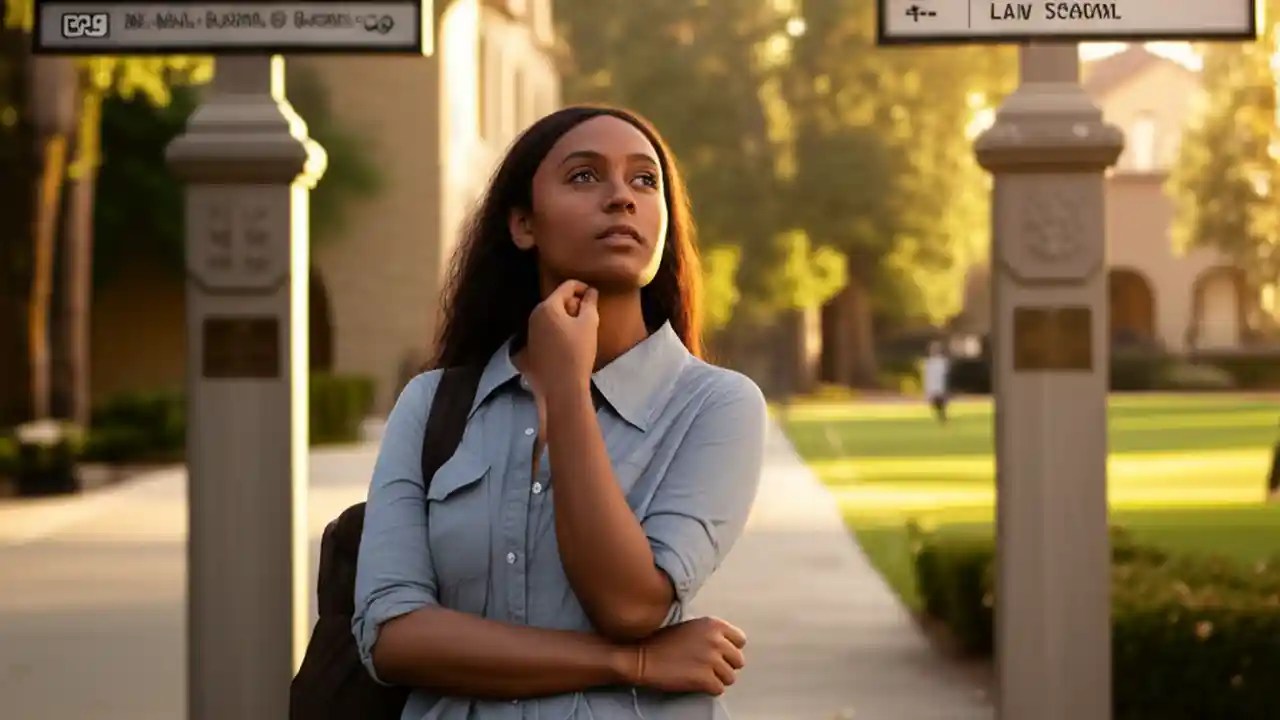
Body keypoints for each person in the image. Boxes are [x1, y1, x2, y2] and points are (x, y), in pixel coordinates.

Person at [352, 105, 768, 719]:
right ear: (524, 224)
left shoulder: (717, 405)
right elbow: (393, 636)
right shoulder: (432, 403)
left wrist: (568, 389)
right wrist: (633, 664)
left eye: (644, 180)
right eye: (584, 176)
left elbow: (629, 605)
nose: (621, 197)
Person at [922, 341, 950, 425]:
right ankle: (942, 418)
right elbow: (927, 376)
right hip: (933, 386)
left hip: (940, 386)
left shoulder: (943, 362)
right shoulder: (929, 363)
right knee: (935, 403)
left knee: (941, 403)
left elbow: (945, 376)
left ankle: (943, 418)